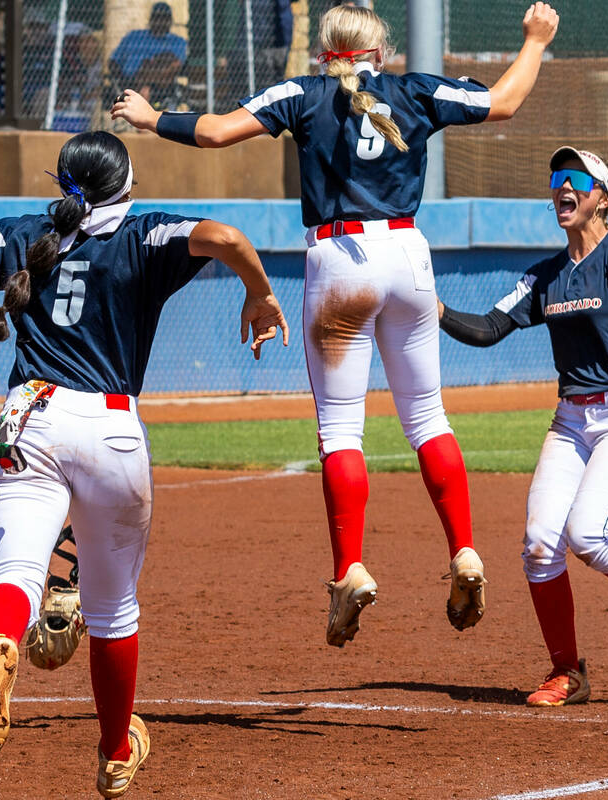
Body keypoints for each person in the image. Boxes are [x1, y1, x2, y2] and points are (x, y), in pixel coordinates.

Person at [113, 2, 560, 647]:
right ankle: (463, 549)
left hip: (339, 257)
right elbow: (505, 102)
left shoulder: (303, 92)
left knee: (340, 429)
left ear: (327, 51)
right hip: (407, 254)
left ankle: (349, 568)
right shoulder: (414, 89)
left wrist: (153, 118)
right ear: (380, 52)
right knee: (429, 418)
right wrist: (535, 40)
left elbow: (213, 132)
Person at [0, 131, 288, 797]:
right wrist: (258, 292)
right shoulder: (145, 234)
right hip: (108, 424)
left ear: (63, 184)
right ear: (127, 186)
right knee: (112, 612)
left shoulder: (26, 233)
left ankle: (1, 649)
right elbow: (227, 236)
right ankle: (114, 752)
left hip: (26, 418)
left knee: (16, 573)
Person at [435, 147, 608, 706]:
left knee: (587, 535)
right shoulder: (546, 276)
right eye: (555, 177)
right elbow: (489, 327)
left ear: (601, 197)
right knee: (539, 546)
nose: (560, 186)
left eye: (574, 180)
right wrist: (432, 310)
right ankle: (567, 672)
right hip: (571, 420)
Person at [108, 2, 187, 107]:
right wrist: (121, 81)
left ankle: (144, 91)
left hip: (160, 84)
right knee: (148, 67)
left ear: (170, 21)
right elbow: (113, 61)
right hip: (129, 81)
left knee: (161, 64)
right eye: (157, 17)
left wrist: (153, 67)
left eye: (164, 18)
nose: (160, 22)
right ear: (151, 19)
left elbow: (176, 64)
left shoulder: (177, 41)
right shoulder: (134, 36)